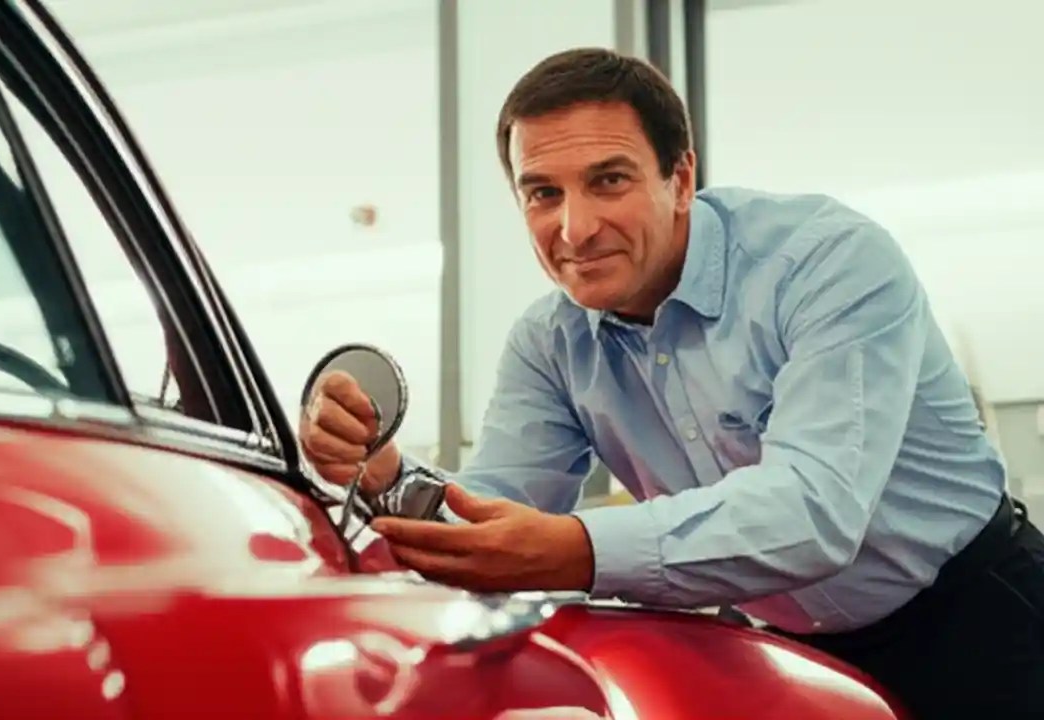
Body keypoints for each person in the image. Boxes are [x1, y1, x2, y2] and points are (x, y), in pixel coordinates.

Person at [298, 47, 1044, 718]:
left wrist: (578, 551)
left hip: (980, 617)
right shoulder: (549, 342)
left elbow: (814, 513)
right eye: (542, 194)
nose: (575, 228)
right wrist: (387, 476)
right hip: (788, 652)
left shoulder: (828, 262)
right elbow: (495, 520)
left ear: (681, 178)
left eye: (608, 181)